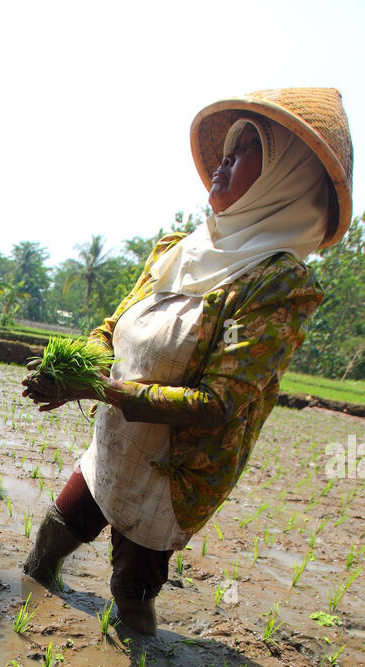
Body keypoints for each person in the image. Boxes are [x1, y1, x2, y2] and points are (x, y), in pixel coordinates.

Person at [23, 87, 354, 635]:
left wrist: (101, 392)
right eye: (229, 146)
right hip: (113, 443)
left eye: (248, 148)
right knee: (52, 537)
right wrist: (78, 368)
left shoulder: (276, 287)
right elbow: (114, 326)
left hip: (174, 471)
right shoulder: (175, 249)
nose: (225, 159)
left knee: (131, 589)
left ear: (284, 179)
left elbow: (217, 405)